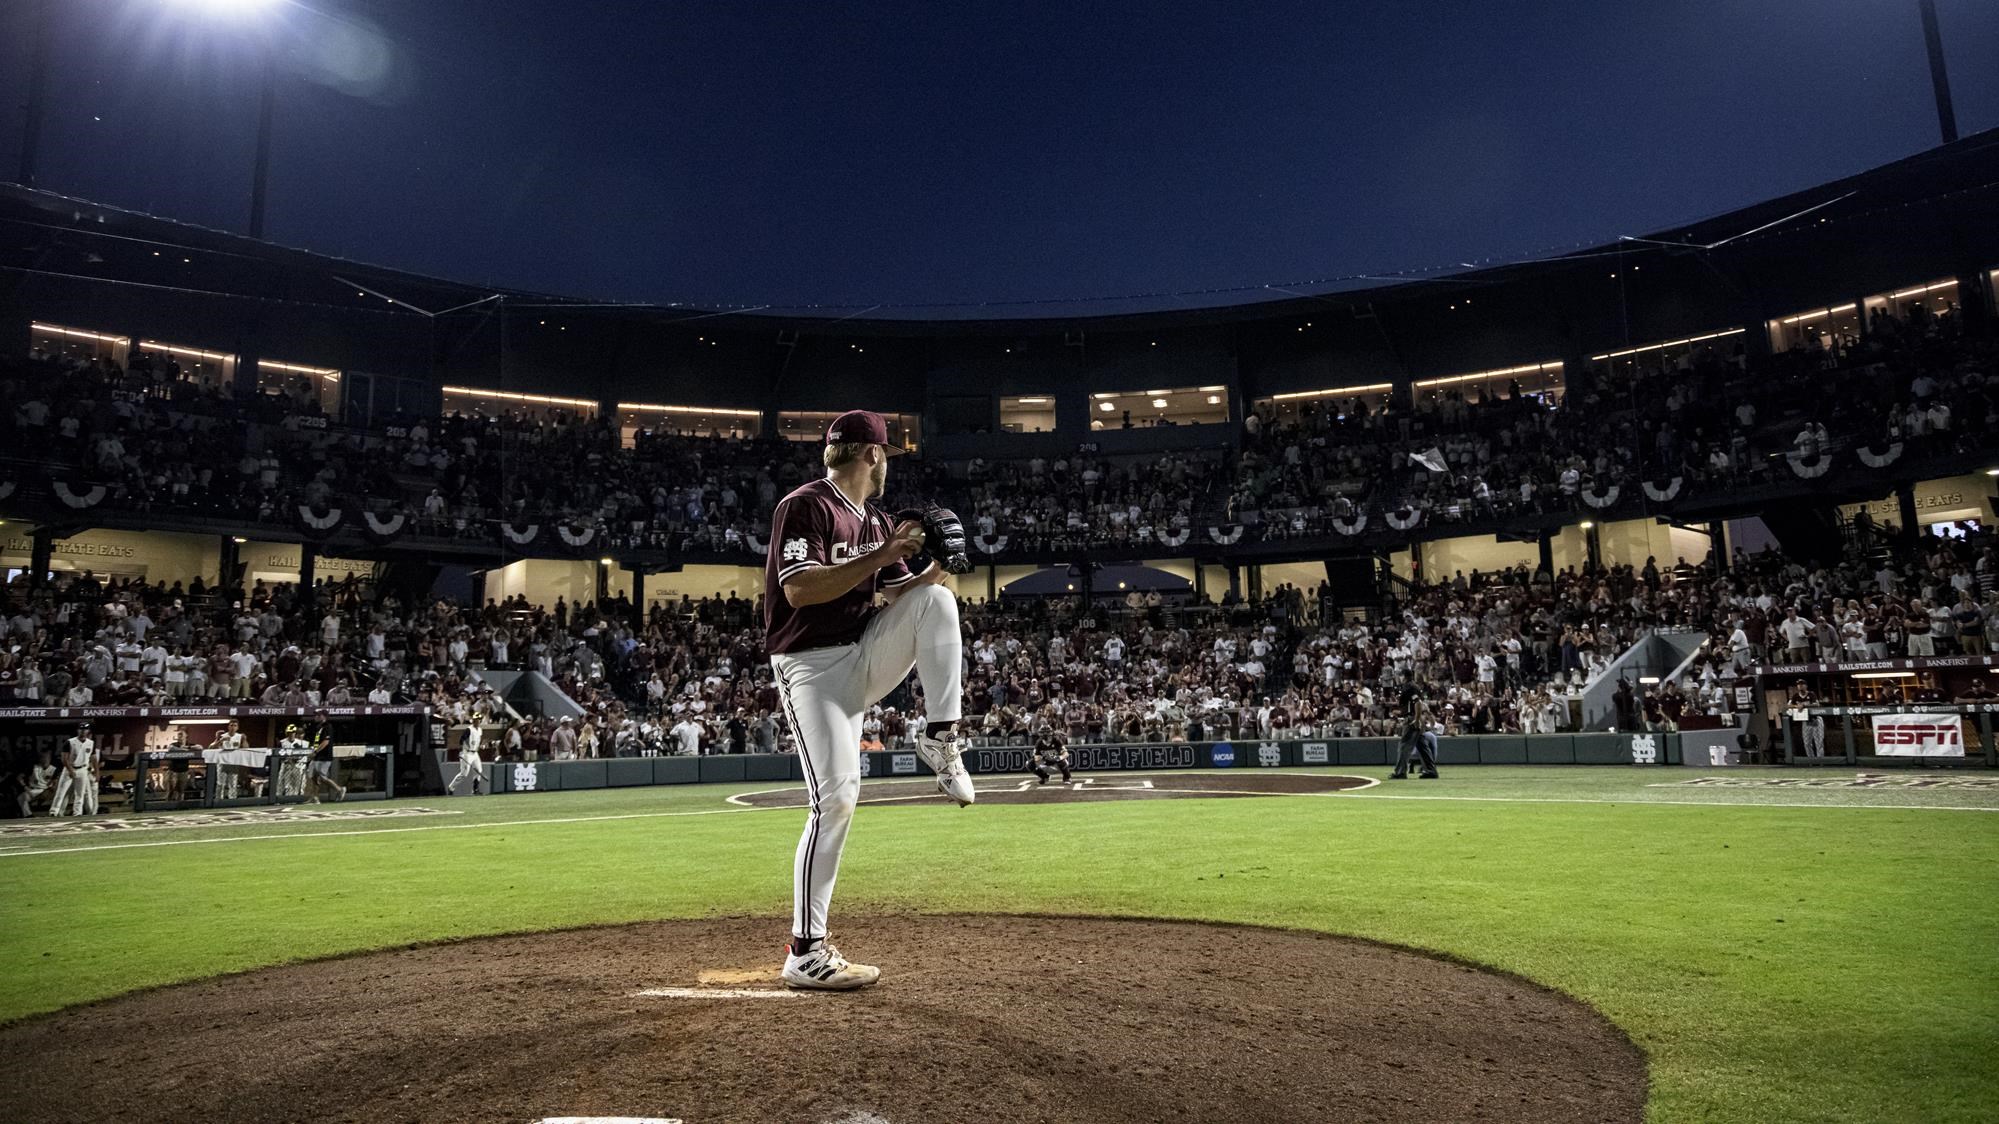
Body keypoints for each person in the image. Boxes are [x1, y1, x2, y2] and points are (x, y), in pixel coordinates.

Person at [764, 409, 975, 991]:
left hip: (861, 650)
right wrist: (884, 556)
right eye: (888, 455)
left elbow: (906, 593)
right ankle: (806, 953)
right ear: (873, 455)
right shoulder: (806, 506)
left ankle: (939, 735)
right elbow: (799, 589)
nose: (888, 466)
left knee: (938, 603)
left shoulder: (878, 520)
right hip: (810, 668)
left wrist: (937, 567)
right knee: (836, 798)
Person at [50, 721, 99, 816]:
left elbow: (94, 758)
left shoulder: (91, 743)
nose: (83, 731)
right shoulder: (70, 742)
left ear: (88, 731)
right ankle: (54, 811)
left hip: (83, 769)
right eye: (81, 729)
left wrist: (97, 772)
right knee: (61, 792)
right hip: (69, 769)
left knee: (79, 793)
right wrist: (70, 770)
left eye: (85, 729)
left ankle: (77, 812)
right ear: (78, 730)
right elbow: (64, 759)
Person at [1389, 688, 1439, 780]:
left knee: (1404, 746)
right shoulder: (1413, 688)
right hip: (1416, 721)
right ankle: (1431, 771)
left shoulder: (1410, 688)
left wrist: (1416, 719)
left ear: (1405, 677)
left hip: (1412, 720)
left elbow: (1418, 702)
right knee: (1423, 747)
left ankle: (1400, 772)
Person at [449, 719, 488, 795]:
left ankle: (475, 790)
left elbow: (478, 739)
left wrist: (480, 745)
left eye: (478, 721)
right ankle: (451, 787)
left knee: (479, 770)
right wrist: (461, 751)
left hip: (475, 753)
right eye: (475, 720)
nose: (477, 722)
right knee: (464, 774)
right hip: (467, 753)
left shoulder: (479, 730)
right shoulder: (469, 729)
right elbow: (461, 740)